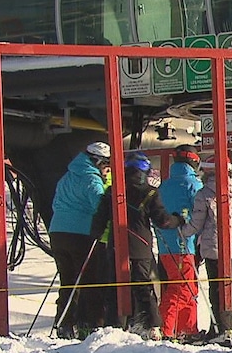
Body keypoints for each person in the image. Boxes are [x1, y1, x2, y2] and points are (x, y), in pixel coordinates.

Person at [95, 151, 181, 340]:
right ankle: (151, 325)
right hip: (140, 246)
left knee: (116, 284)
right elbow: (163, 221)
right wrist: (178, 220)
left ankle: (115, 324)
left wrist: (96, 235)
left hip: (116, 244)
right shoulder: (149, 192)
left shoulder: (112, 191)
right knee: (143, 285)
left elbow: (99, 220)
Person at [182, 158, 232, 346]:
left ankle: (222, 328)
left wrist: (182, 229)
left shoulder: (204, 194)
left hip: (212, 248)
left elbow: (197, 223)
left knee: (217, 290)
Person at [48, 141, 113, 339]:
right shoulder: (91, 180)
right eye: (106, 165)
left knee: (67, 280)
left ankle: (63, 323)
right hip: (80, 234)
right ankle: (93, 325)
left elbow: (55, 202)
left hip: (57, 232)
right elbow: (101, 206)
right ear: (99, 162)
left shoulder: (67, 176)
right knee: (89, 280)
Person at [156, 144, 202, 340]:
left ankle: (187, 328)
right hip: (185, 244)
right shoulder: (193, 185)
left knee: (188, 288)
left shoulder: (164, 185)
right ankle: (166, 328)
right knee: (183, 289)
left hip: (165, 245)